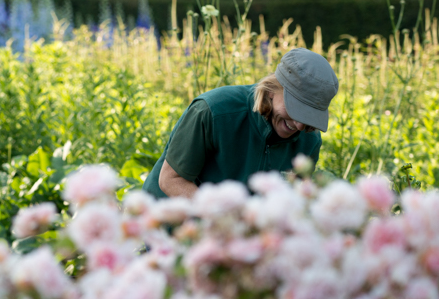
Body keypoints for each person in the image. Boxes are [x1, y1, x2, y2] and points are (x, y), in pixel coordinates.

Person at [142, 48, 339, 199]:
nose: (298, 125)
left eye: (309, 117)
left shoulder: (309, 140)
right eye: (295, 110)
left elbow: (292, 199)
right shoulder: (214, 111)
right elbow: (171, 180)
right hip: (172, 227)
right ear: (272, 88)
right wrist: (223, 223)